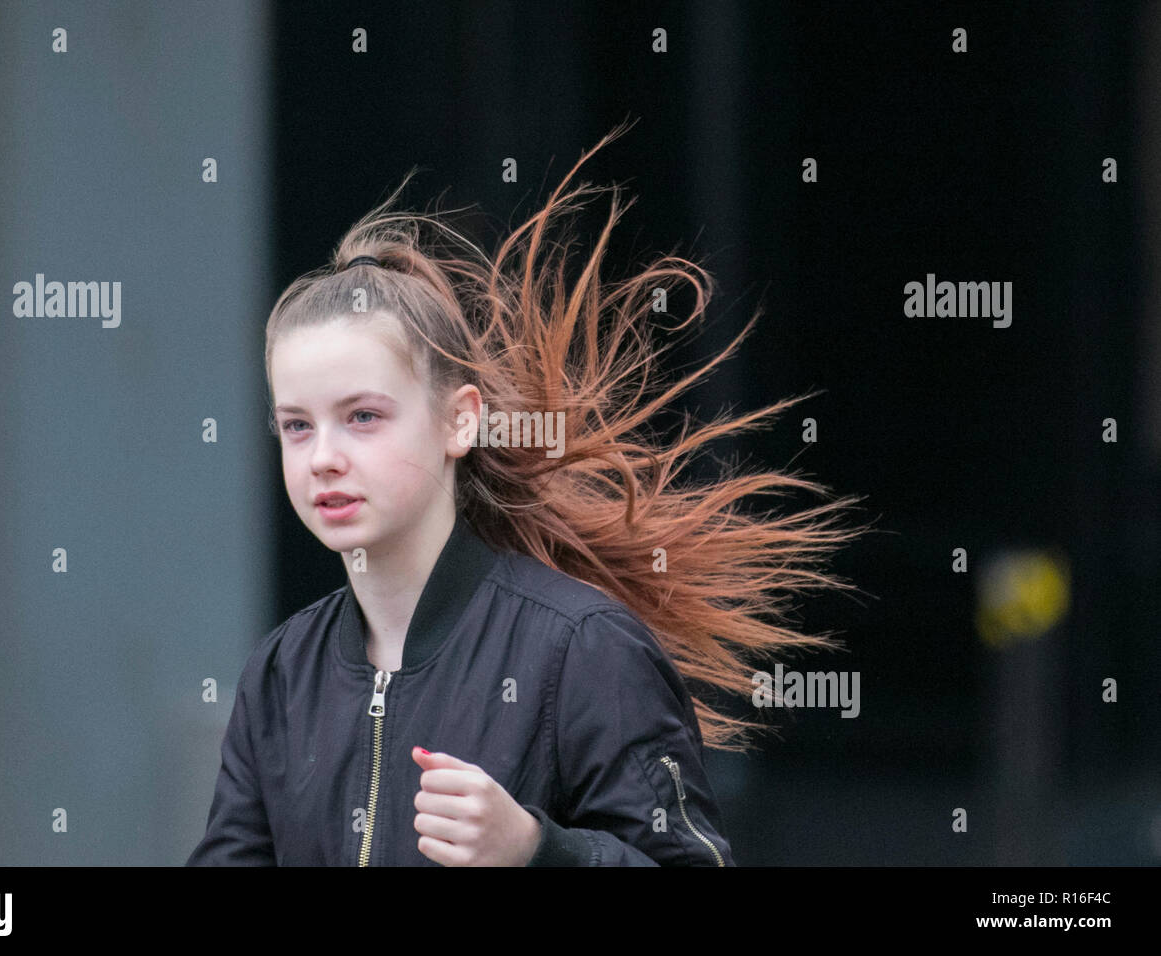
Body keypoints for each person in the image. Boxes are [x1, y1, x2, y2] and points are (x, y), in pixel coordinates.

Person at [186, 123, 870, 866]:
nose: (323, 458)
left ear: (461, 420)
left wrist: (536, 850)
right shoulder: (282, 673)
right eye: (296, 426)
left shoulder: (583, 648)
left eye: (364, 418)